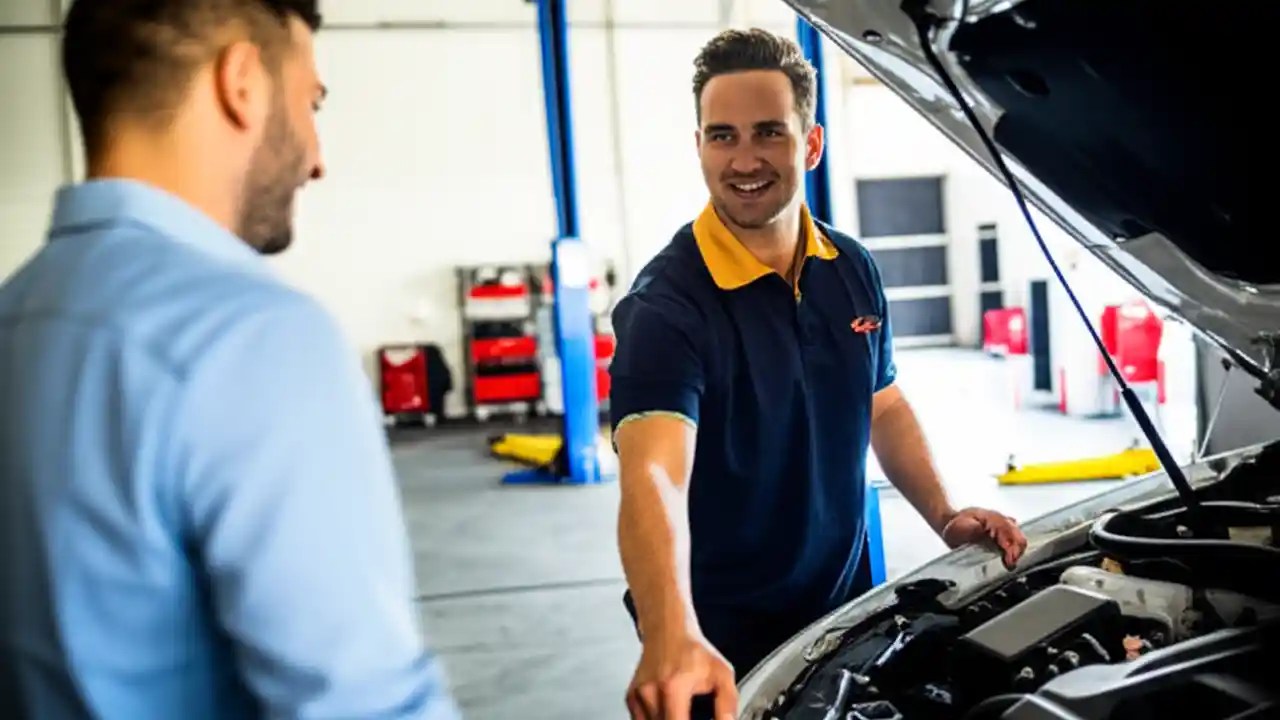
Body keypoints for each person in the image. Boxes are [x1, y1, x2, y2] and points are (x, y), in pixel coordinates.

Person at [0, 2, 460, 719]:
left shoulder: (19, 313)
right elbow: (362, 704)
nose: (316, 156)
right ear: (240, 81)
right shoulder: (253, 338)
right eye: (311, 103)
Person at [609, 28, 1029, 720]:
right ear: (699, 148)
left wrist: (945, 514)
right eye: (722, 136)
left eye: (768, 132)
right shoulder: (666, 307)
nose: (744, 159)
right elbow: (654, 474)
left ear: (810, 144)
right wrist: (669, 631)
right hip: (721, 642)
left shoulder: (852, 267)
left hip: (850, 612)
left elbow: (882, 406)